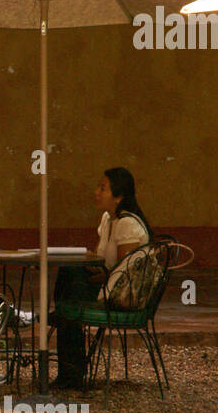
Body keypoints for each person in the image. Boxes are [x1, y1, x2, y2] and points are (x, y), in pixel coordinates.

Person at [52, 166, 151, 389]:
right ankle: (62, 319)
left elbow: (124, 273)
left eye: (103, 188)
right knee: (70, 273)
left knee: (71, 295)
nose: (96, 192)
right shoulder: (108, 219)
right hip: (107, 285)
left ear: (118, 197)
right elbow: (102, 259)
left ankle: (71, 368)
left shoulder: (127, 224)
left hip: (123, 296)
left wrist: (100, 273)